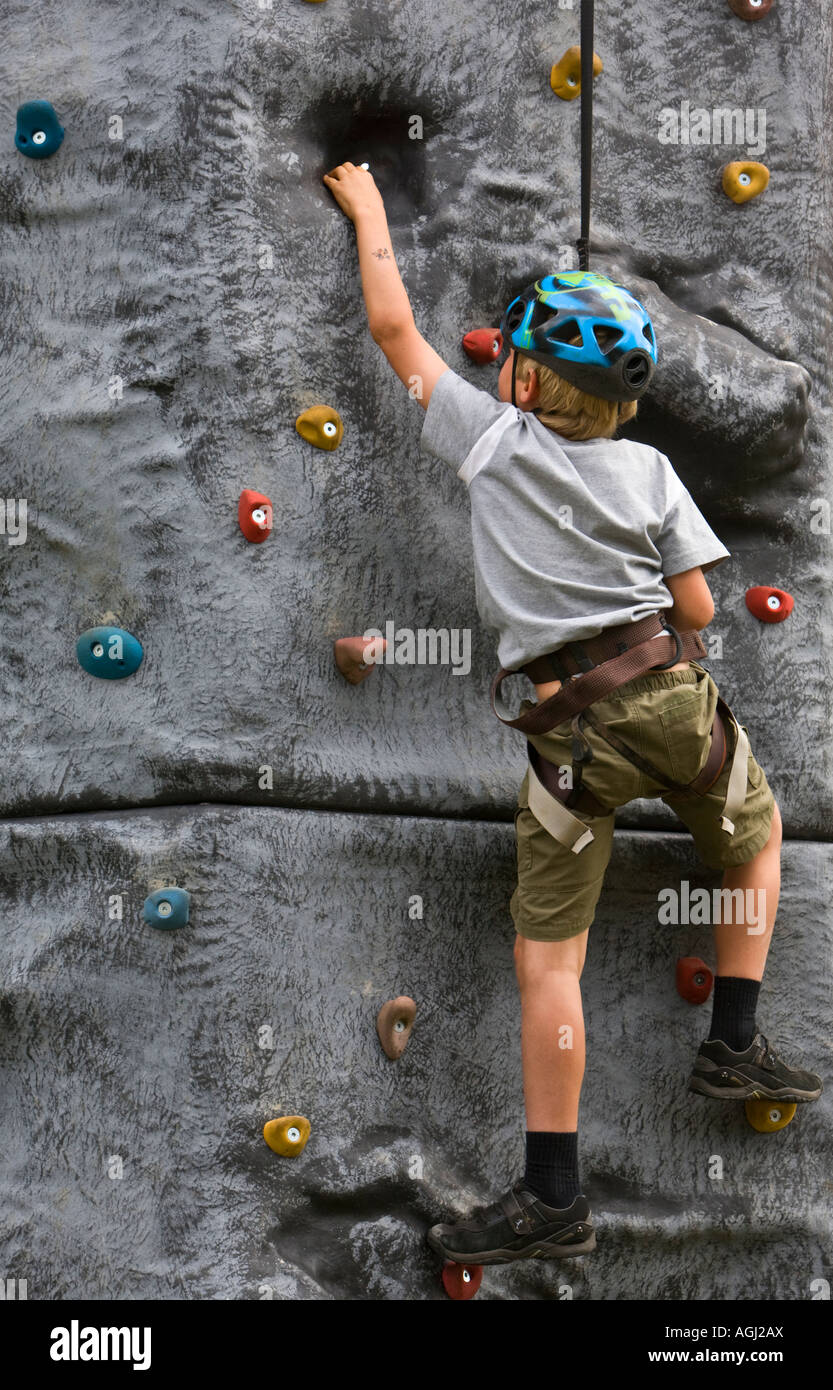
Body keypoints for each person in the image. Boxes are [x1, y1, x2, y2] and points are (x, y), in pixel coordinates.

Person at [323, 161, 822, 1267]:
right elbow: (695, 603)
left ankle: (551, 1191)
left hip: (560, 737)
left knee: (551, 963)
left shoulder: (487, 445)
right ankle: (732, 1039)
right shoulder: (646, 470)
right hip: (665, 696)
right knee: (755, 837)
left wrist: (367, 209)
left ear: (522, 382)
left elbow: (393, 329)